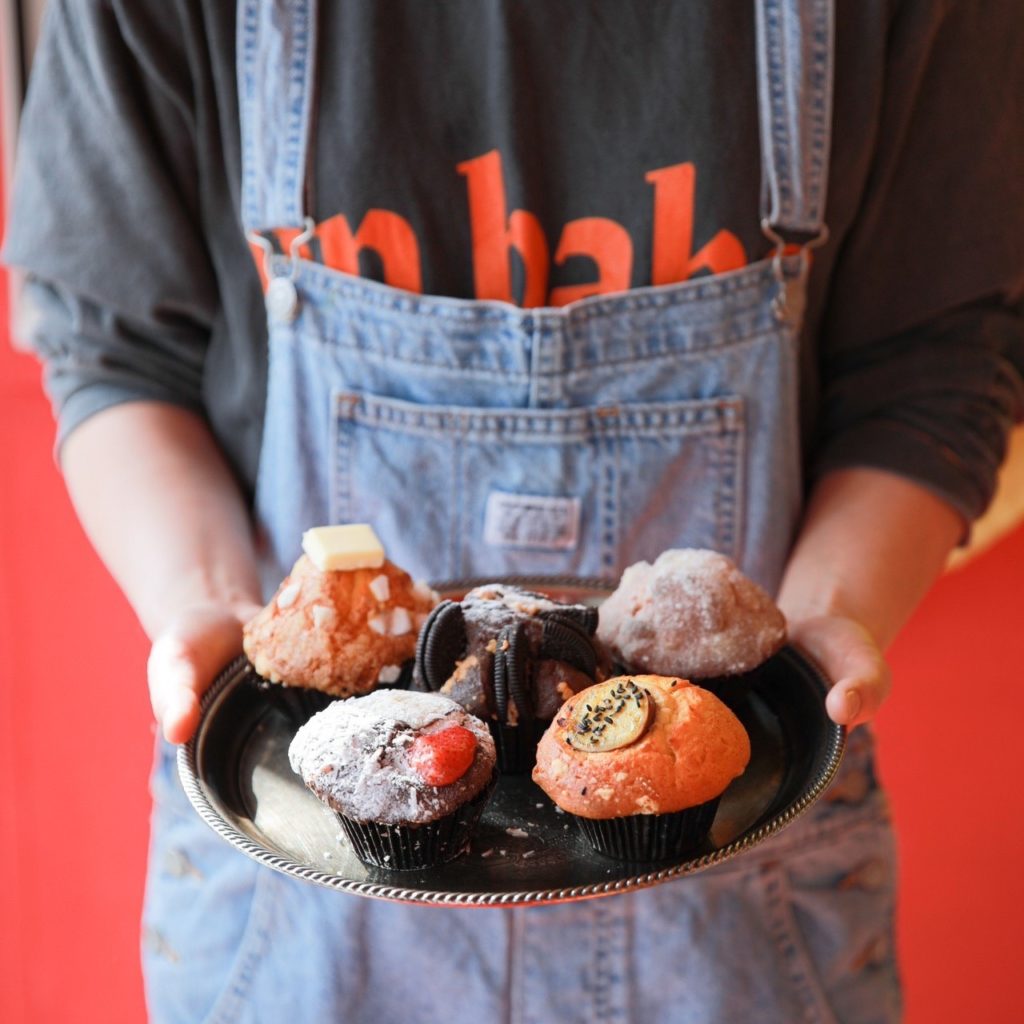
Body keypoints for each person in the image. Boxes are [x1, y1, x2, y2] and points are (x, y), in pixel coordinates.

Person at [6, 1, 1023, 1021]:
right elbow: (115, 347)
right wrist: (211, 602)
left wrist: (825, 617)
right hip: (299, 896)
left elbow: (935, 368)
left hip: (736, 891)